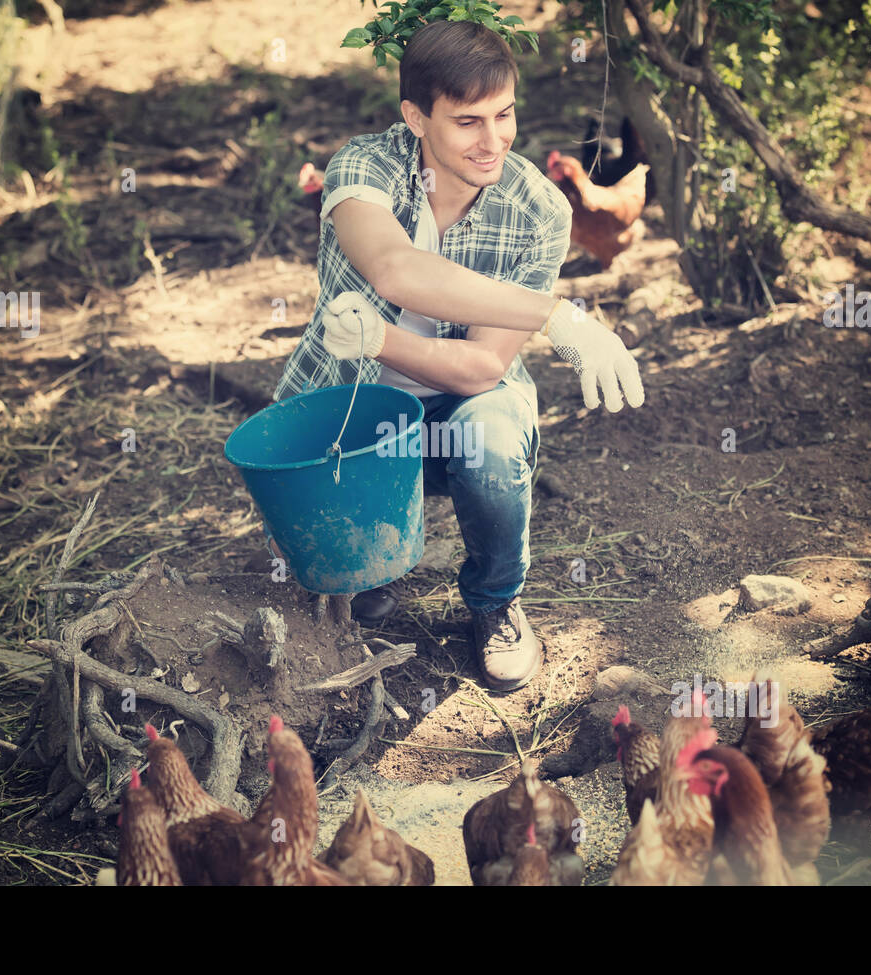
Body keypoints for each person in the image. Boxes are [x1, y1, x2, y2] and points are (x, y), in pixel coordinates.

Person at [271, 20, 644, 692]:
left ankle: (496, 602)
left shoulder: (537, 209)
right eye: (468, 121)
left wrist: (383, 340)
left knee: (491, 440)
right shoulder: (364, 167)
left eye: (504, 115)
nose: (493, 140)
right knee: (318, 526)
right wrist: (556, 316)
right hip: (353, 403)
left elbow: (480, 368)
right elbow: (392, 267)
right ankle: (364, 579)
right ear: (416, 116)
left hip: (461, 400)